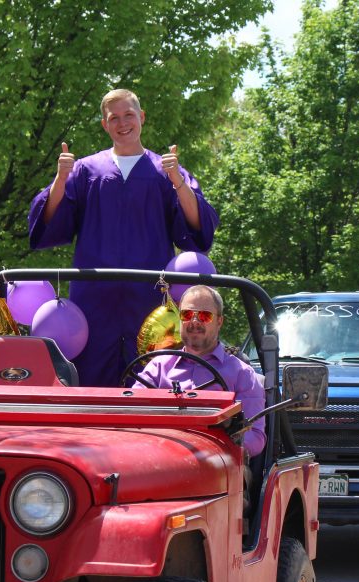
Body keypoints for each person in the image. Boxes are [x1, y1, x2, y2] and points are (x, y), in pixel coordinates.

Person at [28, 89, 219, 387]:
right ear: (105, 125)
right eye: (113, 118)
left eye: (129, 114)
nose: (122, 123)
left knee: (152, 380)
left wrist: (179, 183)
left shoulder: (165, 170)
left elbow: (197, 230)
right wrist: (60, 180)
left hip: (149, 299)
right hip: (94, 301)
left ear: (141, 117)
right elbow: (48, 223)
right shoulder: (85, 170)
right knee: (90, 381)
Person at [135, 286, 266, 457]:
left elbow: (255, 437)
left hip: (218, 465)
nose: (195, 322)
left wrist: (222, 445)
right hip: (159, 458)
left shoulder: (242, 374)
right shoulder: (158, 367)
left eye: (204, 316)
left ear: (219, 321)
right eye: (187, 315)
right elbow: (132, 412)